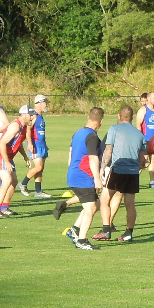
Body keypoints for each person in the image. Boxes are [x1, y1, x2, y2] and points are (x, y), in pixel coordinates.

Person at [94, 105, 145, 242]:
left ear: (119, 116)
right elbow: (143, 160)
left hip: (117, 169)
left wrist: (101, 168)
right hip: (133, 172)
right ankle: (128, 233)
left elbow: (108, 150)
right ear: (132, 118)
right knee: (130, 204)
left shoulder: (114, 129)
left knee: (104, 199)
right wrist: (141, 165)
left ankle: (106, 229)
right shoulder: (139, 134)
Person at [64, 107, 105, 250]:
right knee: (91, 207)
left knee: (96, 204)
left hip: (74, 174)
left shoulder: (78, 133)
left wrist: (71, 170)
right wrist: (97, 179)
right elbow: (93, 158)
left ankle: (75, 230)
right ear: (101, 121)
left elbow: (70, 153)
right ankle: (81, 240)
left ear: (88, 117)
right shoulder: (92, 137)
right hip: (84, 176)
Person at [0, 106, 35, 218]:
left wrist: (25, 157)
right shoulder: (15, 126)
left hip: (8, 158)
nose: (32, 118)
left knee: (14, 181)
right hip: (0, 156)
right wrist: (6, 161)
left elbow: (18, 143)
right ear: (23, 115)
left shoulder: (23, 127)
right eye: (30, 115)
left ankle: (4, 207)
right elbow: (2, 143)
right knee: (7, 180)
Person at [21, 94, 52, 198]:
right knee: (38, 167)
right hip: (35, 145)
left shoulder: (40, 116)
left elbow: (41, 131)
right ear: (40, 103)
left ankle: (38, 191)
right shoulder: (33, 115)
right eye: (45, 103)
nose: (47, 105)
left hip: (42, 145)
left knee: (40, 169)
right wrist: (29, 143)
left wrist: (45, 145)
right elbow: (28, 130)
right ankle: (23, 183)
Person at [135, 91, 154, 187]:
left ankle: (152, 182)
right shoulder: (143, 110)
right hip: (145, 139)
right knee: (143, 160)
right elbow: (138, 124)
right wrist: (140, 139)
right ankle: (133, 179)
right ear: (149, 99)